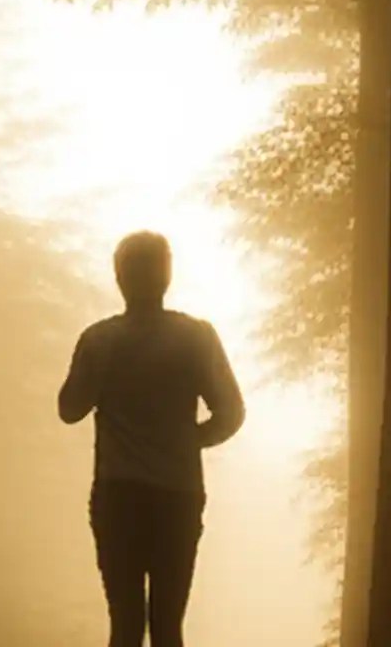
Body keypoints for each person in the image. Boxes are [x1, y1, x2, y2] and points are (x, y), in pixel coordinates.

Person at [59, 231, 245, 647]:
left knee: (124, 624)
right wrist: (187, 441)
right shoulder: (196, 337)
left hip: (118, 495)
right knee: (168, 627)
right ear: (167, 276)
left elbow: (69, 409)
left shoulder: (100, 339)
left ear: (119, 277)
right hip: (178, 496)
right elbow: (231, 413)